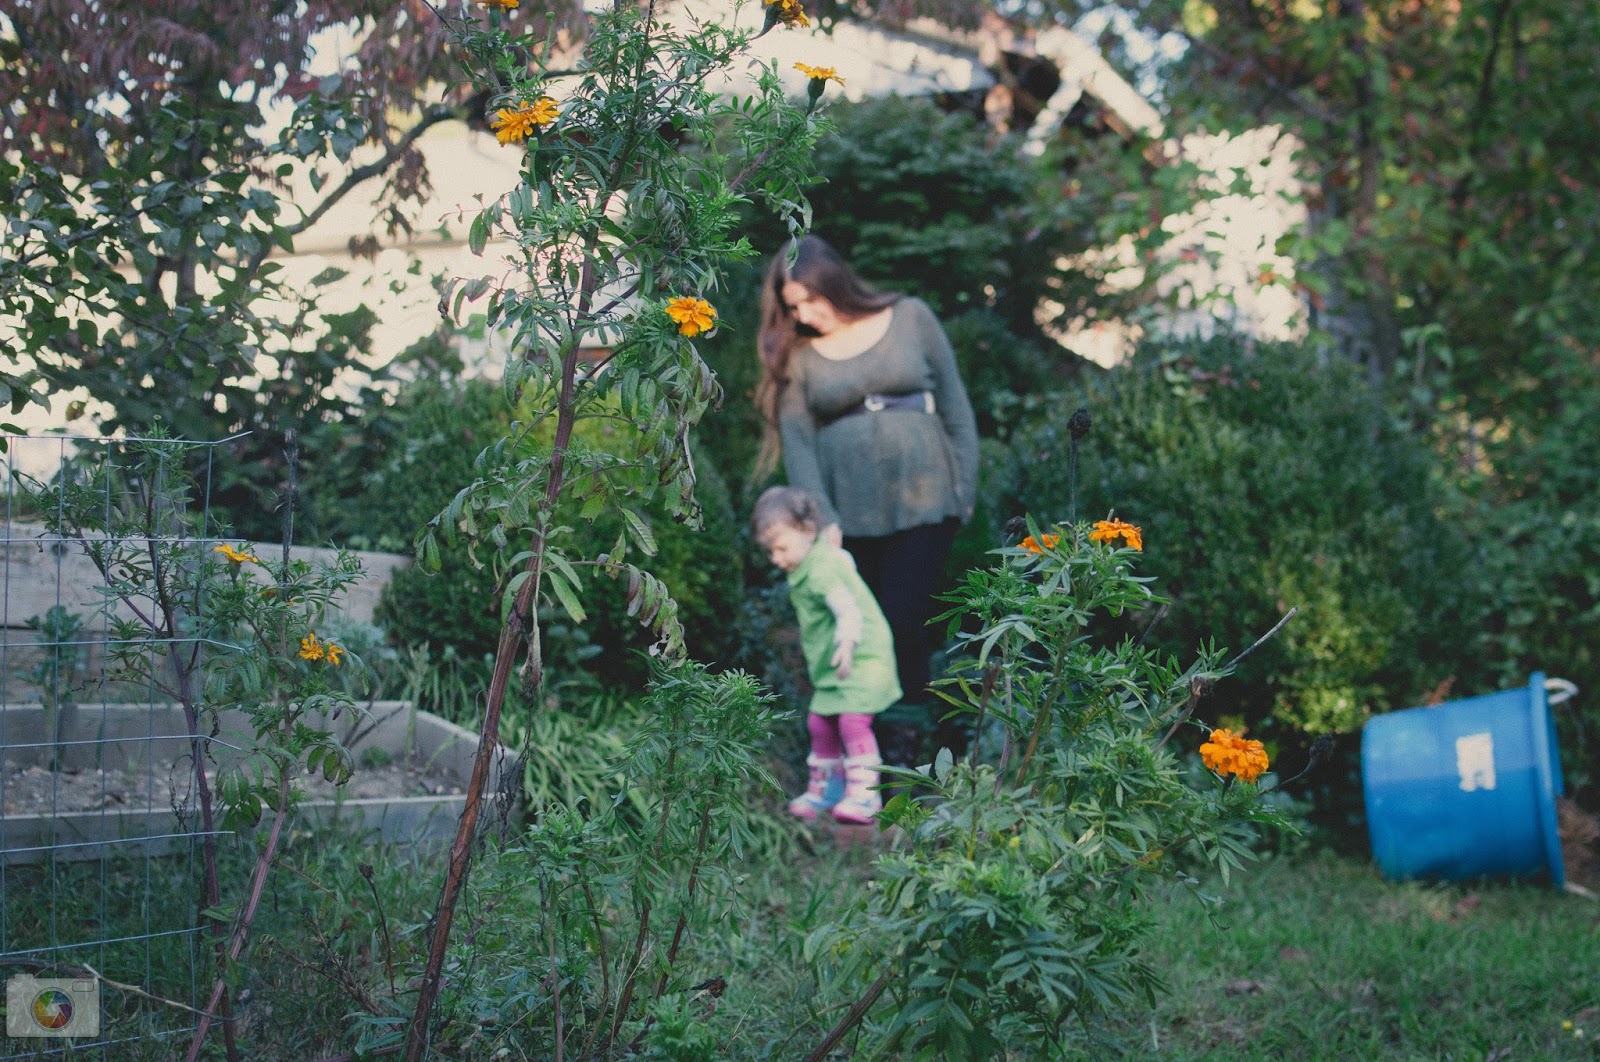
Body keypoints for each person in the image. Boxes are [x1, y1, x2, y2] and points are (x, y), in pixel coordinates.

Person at [754, 235, 979, 762]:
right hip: (843, 514)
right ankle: (860, 749)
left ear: (836, 281)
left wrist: (964, 489)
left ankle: (907, 750)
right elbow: (799, 442)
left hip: (925, 498)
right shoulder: (799, 352)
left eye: (812, 298)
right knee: (857, 623)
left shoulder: (911, 317)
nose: (807, 313)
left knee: (903, 621)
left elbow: (956, 407)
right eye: (794, 307)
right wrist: (822, 520)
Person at [753, 485, 900, 823]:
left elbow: (848, 610)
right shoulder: (812, 560)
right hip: (837, 664)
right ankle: (828, 790)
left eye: (781, 548)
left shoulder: (819, 569)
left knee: (852, 721)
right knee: (820, 722)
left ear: (807, 532)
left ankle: (865, 795)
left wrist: (847, 646)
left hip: (861, 657)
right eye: (770, 552)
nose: (777, 559)